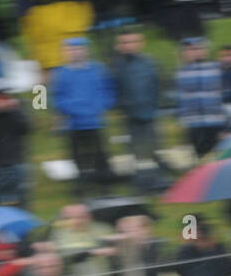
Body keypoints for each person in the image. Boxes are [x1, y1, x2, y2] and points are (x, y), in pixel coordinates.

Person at [52, 37, 115, 194]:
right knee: (77, 156)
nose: (75, 52)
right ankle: (82, 185)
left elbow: (107, 91)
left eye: (78, 48)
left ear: (86, 50)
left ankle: (104, 184)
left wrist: (100, 106)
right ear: (65, 52)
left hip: (94, 121)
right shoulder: (60, 73)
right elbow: (55, 97)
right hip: (73, 123)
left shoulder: (98, 69)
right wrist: (72, 109)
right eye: (71, 49)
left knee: (100, 154)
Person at [111, 29, 167, 193]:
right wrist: (122, 107)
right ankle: (141, 183)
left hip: (150, 113)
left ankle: (156, 181)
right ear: (119, 45)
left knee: (153, 147)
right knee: (135, 150)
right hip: (129, 116)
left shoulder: (150, 62)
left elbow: (159, 85)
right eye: (124, 43)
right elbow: (114, 89)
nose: (128, 46)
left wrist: (156, 106)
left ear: (140, 43)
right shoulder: (116, 65)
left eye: (131, 42)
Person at [176, 37, 227, 157]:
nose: (194, 52)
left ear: (206, 51)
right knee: (202, 160)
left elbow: (223, 98)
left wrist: (225, 127)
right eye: (190, 49)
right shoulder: (181, 72)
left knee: (219, 159)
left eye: (198, 48)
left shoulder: (216, 69)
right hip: (194, 125)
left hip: (215, 123)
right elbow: (181, 101)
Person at [0, 90, 30, 207]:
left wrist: (12, 110)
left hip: (15, 160)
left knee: (18, 198)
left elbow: (25, 128)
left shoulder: (14, 111)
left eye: (0, 98)